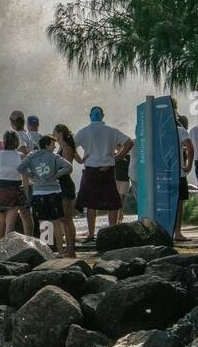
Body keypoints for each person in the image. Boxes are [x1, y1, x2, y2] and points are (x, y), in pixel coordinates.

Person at [75, 106, 133, 241]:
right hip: (108, 168)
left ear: (90, 115)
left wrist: (80, 159)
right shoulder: (111, 131)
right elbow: (129, 143)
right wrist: (116, 158)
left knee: (91, 203)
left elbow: (71, 146)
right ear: (103, 115)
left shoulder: (83, 132)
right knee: (112, 202)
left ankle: (90, 234)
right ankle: (112, 231)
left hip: (90, 170)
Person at [19, 135, 74, 254]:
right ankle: (60, 251)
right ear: (46, 145)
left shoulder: (32, 156)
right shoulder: (54, 156)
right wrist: (55, 176)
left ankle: (47, 251)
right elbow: (69, 167)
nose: (54, 147)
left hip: (38, 193)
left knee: (44, 222)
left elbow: (20, 168)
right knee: (56, 222)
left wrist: (32, 176)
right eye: (52, 144)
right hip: (54, 192)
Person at [0, 130, 32, 240]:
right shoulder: (21, 156)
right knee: (10, 222)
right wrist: (26, 194)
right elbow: (25, 178)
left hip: (0, 187)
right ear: (17, 141)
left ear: (4, 141)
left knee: (0, 221)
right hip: (15, 189)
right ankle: (7, 248)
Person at [53, 123, 80, 256]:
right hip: (60, 185)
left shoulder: (67, 148)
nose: (53, 134)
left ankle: (71, 250)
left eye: (54, 132)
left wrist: (53, 174)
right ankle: (68, 248)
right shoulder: (62, 147)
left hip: (65, 185)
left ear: (60, 133)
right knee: (63, 218)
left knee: (67, 219)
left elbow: (68, 168)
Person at [175, 114, 195, 242]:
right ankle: (177, 232)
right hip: (179, 172)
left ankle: (166, 232)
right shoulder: (180, 131)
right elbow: (190, 147)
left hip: (162, 173)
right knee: (179, 203)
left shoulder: (158, 130)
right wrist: (188, 165)